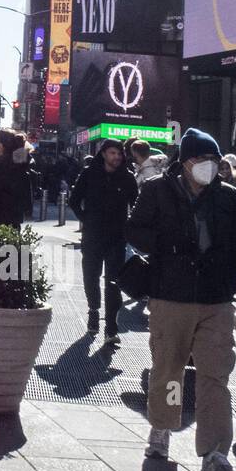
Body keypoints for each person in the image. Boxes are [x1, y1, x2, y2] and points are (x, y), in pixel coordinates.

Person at [127, 128, 236, 471]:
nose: (208, 167)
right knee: (169, 370)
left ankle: (214, 453)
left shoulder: (227, 197)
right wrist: (169, 245)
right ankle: (162, 428)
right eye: (201, 160)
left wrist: (229, 277)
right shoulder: (157, 190)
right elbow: (134, 231)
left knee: (215, 376)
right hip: (170, 295)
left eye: (213, 160)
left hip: (215, 299)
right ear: (185, 162)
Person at [68, 139, 138, 345]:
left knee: (113, 282)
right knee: (91, 276)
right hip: (92, 236)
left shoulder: (128, 178)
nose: (116, 157)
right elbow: (73, 200)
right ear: (104, 154)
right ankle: (93, 310)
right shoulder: (89, 174)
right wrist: (86, 219)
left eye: (119, 153)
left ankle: (111, 328)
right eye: (112, 153)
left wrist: (130, 228)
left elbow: (137, 205)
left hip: (117, 237)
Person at [0, 130, 34, 227]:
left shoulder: (0, 166)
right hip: (13, 220)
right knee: (11, 241)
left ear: (1, 146)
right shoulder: (18, 163)